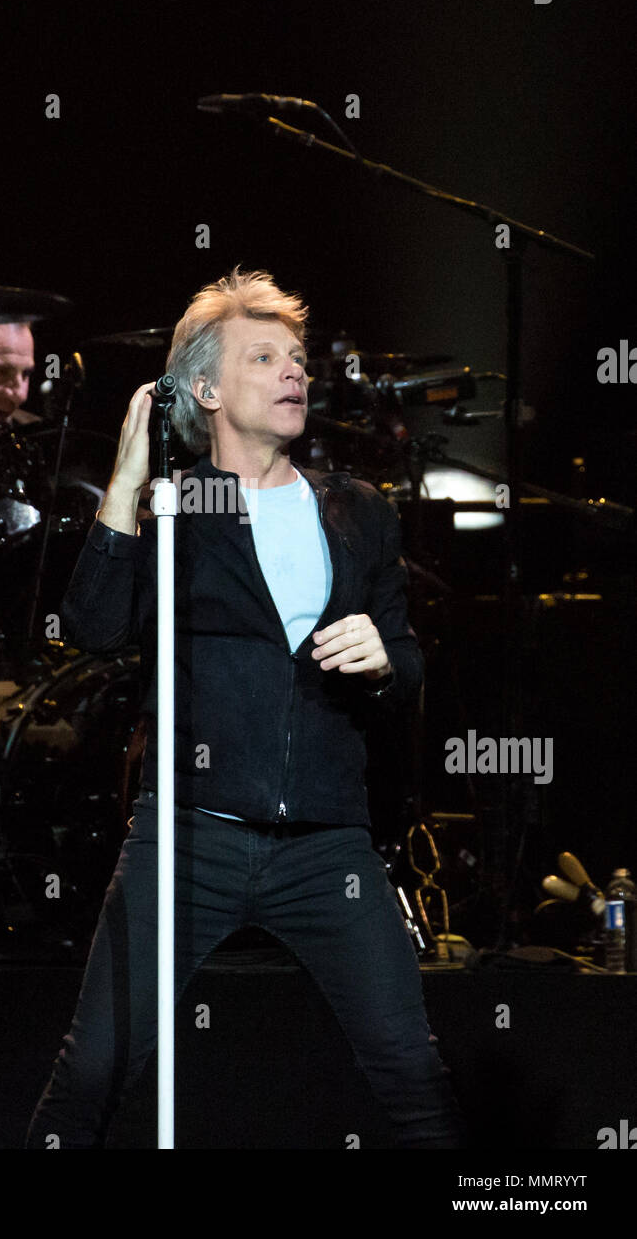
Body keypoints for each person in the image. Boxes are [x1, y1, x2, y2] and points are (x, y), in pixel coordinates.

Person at [26, 267, 465, 1149]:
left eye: (296, 357)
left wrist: (386, 662)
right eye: (263, 357)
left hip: (328, 845)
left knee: (412, 1073)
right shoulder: (179, 509)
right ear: (206, 389)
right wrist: (125, 477)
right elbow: (95, 627)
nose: (292, 372)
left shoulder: (359, 512)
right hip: (190, 840)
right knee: (97, 1064)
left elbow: (408, 659)